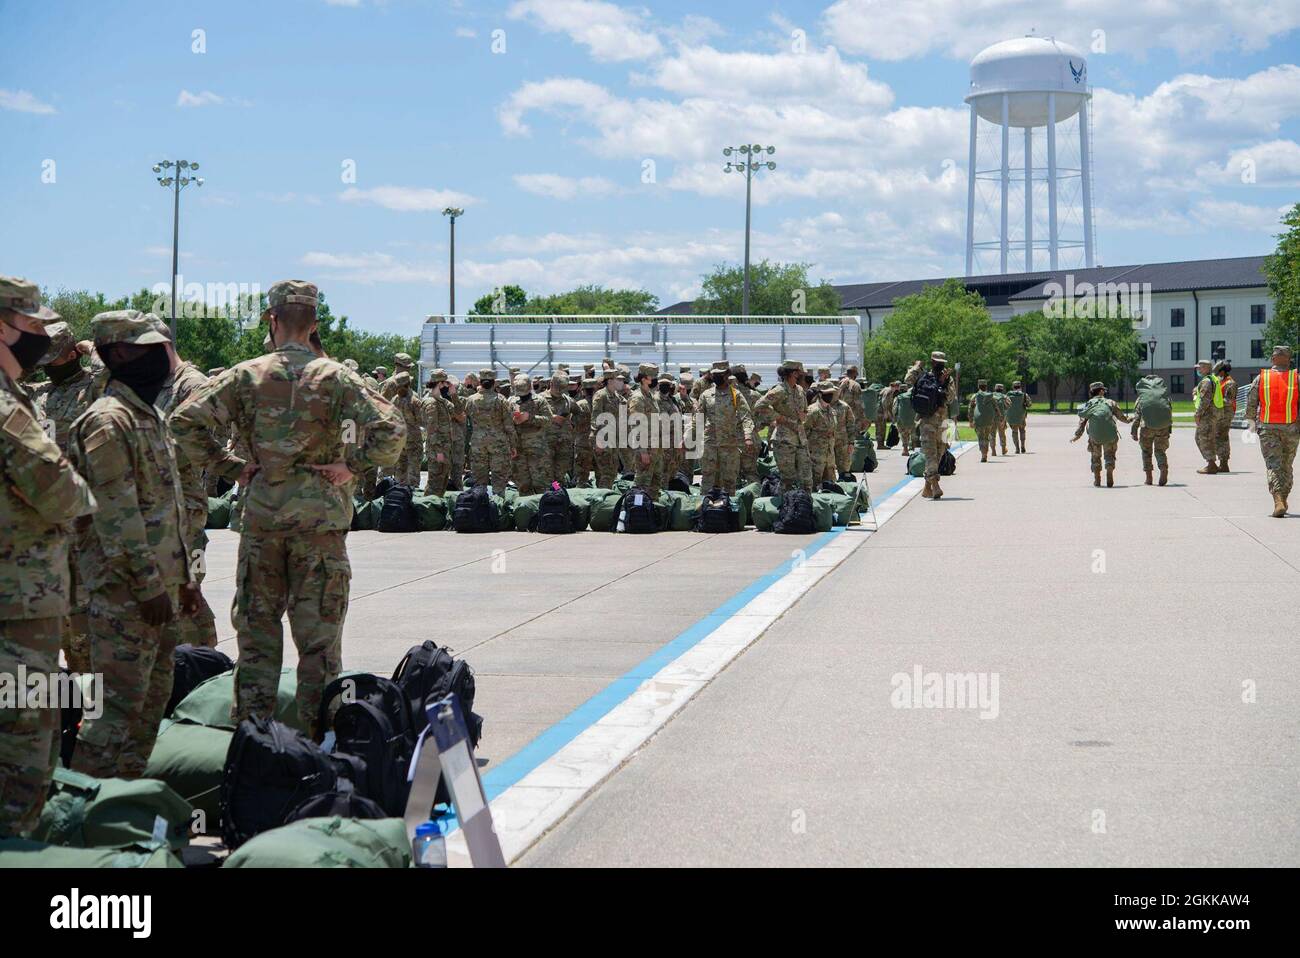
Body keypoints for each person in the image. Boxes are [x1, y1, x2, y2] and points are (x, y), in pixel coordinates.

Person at [169, 281, 404, 740]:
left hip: (262, 525)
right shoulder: (337, 377)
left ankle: (254, 746)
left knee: (257, 641)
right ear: (314, 325)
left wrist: (231, 466)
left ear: (271, 321)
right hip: (320, 528)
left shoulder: (245, 376)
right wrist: (349, 464)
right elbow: (392, 430)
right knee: (319, 646)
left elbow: (183, 424)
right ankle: (320, 746)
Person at [68, 310, 200, 777]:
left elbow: (170, 507)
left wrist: (184, 581)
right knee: (114, 717)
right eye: (151, 346)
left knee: (148, 712)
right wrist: (148, 585)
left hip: (160, 595)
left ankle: (120, 811)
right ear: (119, 353)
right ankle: (83, 818)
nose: (165, 355)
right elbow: (117, 515)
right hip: (126, 595)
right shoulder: (107, 420)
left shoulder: (147, 415)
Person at [0, 276, 97, 837]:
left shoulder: (27, 396)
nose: (45, 340)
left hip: (32, 593)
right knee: (23, 757)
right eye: (33, 327)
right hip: (20, 603)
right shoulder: (12, 409)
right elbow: (67, 493)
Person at [29, 321, 97, 673]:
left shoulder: (96, 387)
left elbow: (126, 374)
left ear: (73, 354)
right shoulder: (38, 393)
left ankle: (90, 692)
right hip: (45, 524)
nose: (48, 366)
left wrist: (92, 349)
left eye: (54, 359)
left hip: (84, 523)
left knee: (83, 618)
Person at [152, 316, 218, 649]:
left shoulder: (191, 384)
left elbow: (197, 442)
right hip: (159, 508)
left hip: (186, 509)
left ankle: (202, 663)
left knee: (186, 588)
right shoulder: (155, 383)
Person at [1243, 345, 1299, 517]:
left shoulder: (1261, 378)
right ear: (1289, 360)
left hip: (1268, 428)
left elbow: (1251, 403)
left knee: (1273, 465)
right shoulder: (1296, 378)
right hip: (1292, 428)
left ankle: (1278, 499)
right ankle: (1283, 497)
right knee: (1287, 465)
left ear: (1273, 359)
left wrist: (1251, 425)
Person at [904, 352, 957, 500]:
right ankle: (935, 485)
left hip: (936, 422)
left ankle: (927, 487)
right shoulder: (925, 377)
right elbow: (951, 398)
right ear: (934, 362)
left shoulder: (942, 378)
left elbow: (908, 379)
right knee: (932, 454)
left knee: (938, 453)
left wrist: (917, 367)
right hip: (936, 421)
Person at [755, 360, 813, 490]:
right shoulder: (779, 390)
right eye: (800, 373)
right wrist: (778, 417)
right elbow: (759, 405)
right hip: (784, 440)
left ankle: (805, 505)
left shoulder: (799, 390)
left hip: (800, 439)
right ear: (794, 374)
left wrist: (804, 415)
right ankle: (787, 506)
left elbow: (804, 410)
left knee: (806, 477)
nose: (803, 376)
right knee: (788, 479)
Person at [696, 364, 754, 494]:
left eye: (719, 375)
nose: (716, 377)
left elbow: (746, 416)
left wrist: (748, 436)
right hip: (710, 443)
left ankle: (728, 509)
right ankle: (705, 508)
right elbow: (698, 419)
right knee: (708, 479)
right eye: (714, 375)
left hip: (729, 444)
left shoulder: (736, 394)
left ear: (727, 376)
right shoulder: (706, 395)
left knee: (729, 480)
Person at [463, 367, 516, 490]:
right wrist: (513, 445)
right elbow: (509, 425)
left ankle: (480, 504)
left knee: (479, 480)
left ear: (480, 382)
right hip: (498, 443)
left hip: (478, 443)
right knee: (499, 479)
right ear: (494, 383)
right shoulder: (501, 400)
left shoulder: (471, 400)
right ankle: (498, 504)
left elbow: (467, 421)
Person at [1071, 382, 1131, 487]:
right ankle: (1109, 469)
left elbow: (1082, 421)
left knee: (1095, 456)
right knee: (1109, 454)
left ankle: (1097, 479)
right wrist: (1129, 420)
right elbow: (1121, 417)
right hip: (1110, 435)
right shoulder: (1110, 402)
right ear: (1101, 391)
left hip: (1095, 436)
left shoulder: (1089, 404)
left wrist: (1077, 435)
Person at [627, 363, 665, 498]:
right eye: (652, 377)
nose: (655, 380)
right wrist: (643, 451)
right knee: (641, 485)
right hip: (646, 449)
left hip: (655, 449)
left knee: (655, 483)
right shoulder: (638, 398)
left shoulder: (650, 396)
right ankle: (637, 512)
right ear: (644, 378)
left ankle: (650, 512)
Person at [382, 369, 423, 487]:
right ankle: (412, 493)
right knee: (414, 469)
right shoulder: (414, 400)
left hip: (398, 438)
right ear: (408, 384)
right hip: (413, 439)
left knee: (400, 469)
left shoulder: (394, 399)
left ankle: (399, 493)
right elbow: (421, 420)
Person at [509, 375, 550, 494]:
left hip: (538, 450)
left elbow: (548, 420)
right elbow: (506, 423)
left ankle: (548, 506)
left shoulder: (540, 400)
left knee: (542, 482)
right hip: (518, 450)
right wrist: (514, 420)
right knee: (522, 483)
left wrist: (530, 418)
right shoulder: (511, 401)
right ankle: (526, 509)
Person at [1130, 373, 1172, 486]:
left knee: (1146, 452)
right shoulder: (1164, 397)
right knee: (1160, 451)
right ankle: (1163, 468)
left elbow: (1137, 417)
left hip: (1146, 427)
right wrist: (1168, 429)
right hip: (1163, 427)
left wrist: (1134, 431)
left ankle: (1149, 477)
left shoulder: (1142, 398)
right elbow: (1169, 413)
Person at [420, 369, 455, 496]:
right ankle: (427, 509)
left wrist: (453, 394)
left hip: (444, 448)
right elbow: (432, 429)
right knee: (434, 484)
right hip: (437, 450)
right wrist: (439, 452)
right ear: (440, 384)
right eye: (445, 383)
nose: (447, 386)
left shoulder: (440, 400)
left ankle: (435, 510)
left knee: (442, 482)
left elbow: (457, 410)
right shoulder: (431, 403)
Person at [590, 368, 623, 488]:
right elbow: (596, 418)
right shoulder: (601, 395)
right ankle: (602, 500)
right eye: (617, 379)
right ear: (609, 381)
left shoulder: (616, 397)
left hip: (613, 440)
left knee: (612, 472)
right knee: (605, 473)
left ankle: (603, 497)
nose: (620, 382)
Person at [1193, 359, 1226, 474]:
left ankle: (1211, 464)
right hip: (1212, 414)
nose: (1198, 369)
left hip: (1207, 414)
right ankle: (1212, 463)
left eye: (1200, 367)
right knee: (1206, 438)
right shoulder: (1213, 379)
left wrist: (1197, 414)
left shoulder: (1207, 381)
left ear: (1206, 368)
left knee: (1203, 438)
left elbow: (1205, 400)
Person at [804, 382, 839, 485]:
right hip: (815, 456)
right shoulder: (812, 411)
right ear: (820, 394)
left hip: (829, 457)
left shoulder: (832, 411)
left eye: (831, 393)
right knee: (815, 484)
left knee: (831, 485)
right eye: (827, 393)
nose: (830, 396)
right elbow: (804, 432)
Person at [1212, 360, 1237, 473]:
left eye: (1218, 372)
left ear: (1222, 372)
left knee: (1222, 437)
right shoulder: (1222, 382)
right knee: (1219, 437)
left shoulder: (1230, 383)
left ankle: (1224, 463)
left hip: (1226, 414)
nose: (1217, 375)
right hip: (1221, 413)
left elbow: (1229, 400)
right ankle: (1222, 462)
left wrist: (1214, 400)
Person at [968, 380, 999, 462]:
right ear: (986, 386)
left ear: (978, 386)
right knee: (986, 437)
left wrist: (970, 420)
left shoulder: (975, 396)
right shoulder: (991, 396)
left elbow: (970, 409)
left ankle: (983, 454)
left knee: (981, 437)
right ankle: (985, 453)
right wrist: (999, 417)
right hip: (989, 420)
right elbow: (996, 408)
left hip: (978, 419)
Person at [1006, 380, 1030, 453]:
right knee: (1022, 431)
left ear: (1013, 387)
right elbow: (1029, 404)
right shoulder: (1024, 395)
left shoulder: (1008, 395)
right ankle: (1023, 446)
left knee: (1014, 432)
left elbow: (1005, 405)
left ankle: (1017, 448)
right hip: (1021, 417)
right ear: (1020, 387)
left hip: (1012, 418)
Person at [992, 383, 1010, 456]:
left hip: (992, 418)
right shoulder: (1004, 396)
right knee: (1002, 433)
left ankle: (993, 450)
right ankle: (1003, 449)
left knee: (992, 434)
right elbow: (1009, 405)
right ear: (1002, 389)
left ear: (995, 389)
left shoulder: (991, 396)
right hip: (1001, 418)